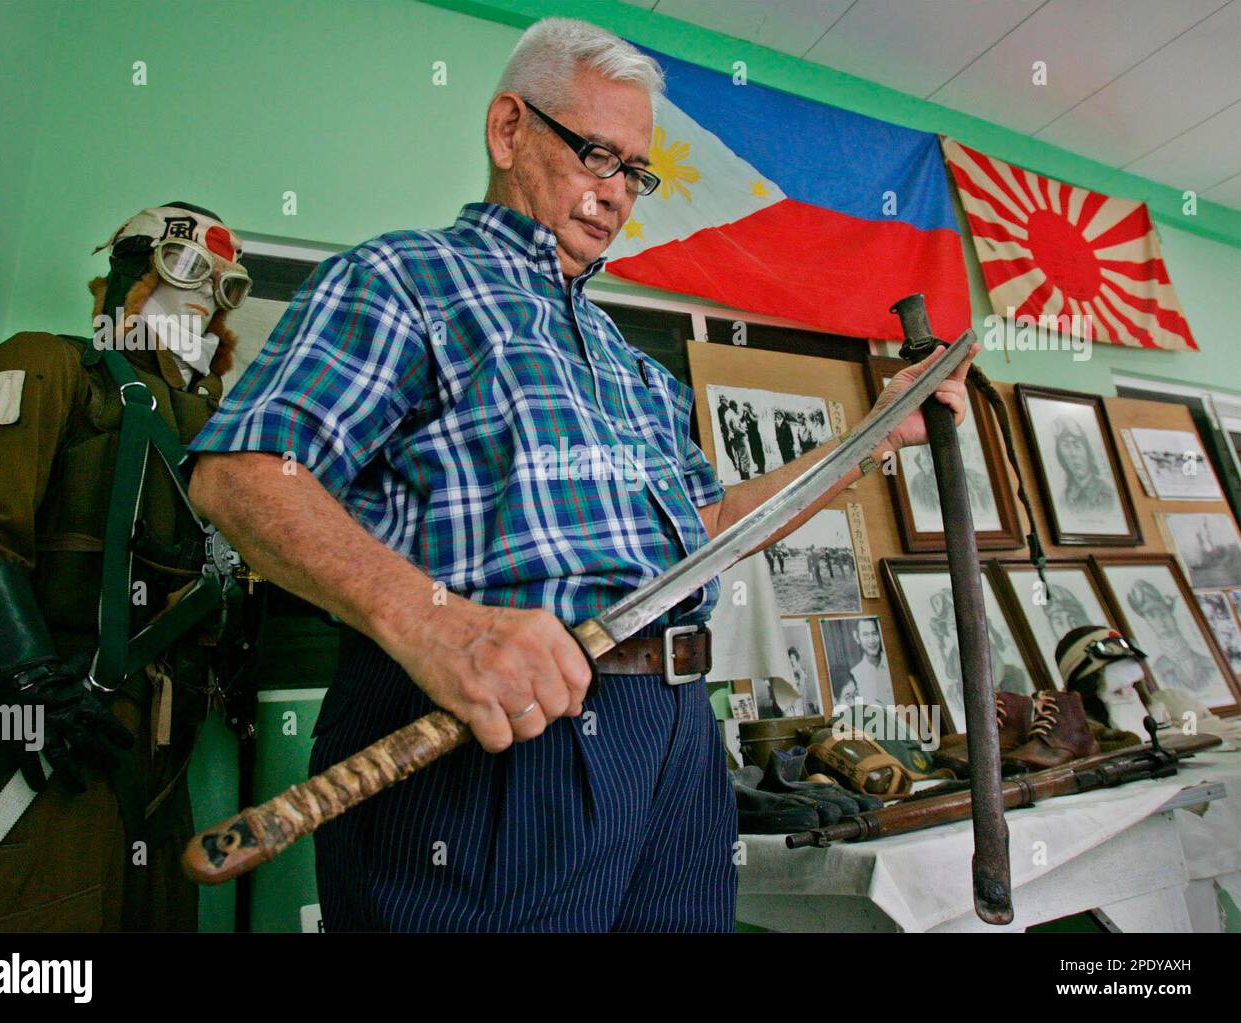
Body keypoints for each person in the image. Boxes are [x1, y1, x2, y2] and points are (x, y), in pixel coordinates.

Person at [185, 18, 974, 932]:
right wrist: (436, 627)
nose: (617, 197)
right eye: (598, 155)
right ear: (509, 129)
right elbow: (241, 475)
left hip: (676, 738)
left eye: (635, 174)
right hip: (490, 741)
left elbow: (708, 528)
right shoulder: (404, 279)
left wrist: (875, 433)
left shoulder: (627, 360)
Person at [0, 203, 253, 930]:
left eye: (225, 286)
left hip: (164, 754)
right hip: (54, 735)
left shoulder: (217, 436)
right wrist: (28, 687)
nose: (203, 297)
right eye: (183, 268)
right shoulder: (46, 365)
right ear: (126, 272)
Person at [1053, 415, 1114, 513]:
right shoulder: (1063, 500)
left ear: (1088, 452)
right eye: (1066, 446)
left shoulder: (1109, 496)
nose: (1073, 454)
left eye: (1077, 446)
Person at [845, 618, 892, 704]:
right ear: (857, 637)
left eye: (874, 633)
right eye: (865, 635)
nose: (871, 640)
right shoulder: (854, 675)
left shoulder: (893, 664)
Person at [741, 402, 766, 475]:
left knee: (759, 451)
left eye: (745, 407)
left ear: (748, 407)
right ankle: (759, 468)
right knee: (754, 452)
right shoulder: (745, 414)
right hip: (750, 435)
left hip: (755, 435)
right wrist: (743, 413)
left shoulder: (753, 413)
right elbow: (741, 420)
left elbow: (755, 420)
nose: (744, 408)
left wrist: (749, 413)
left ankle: (762, 468)